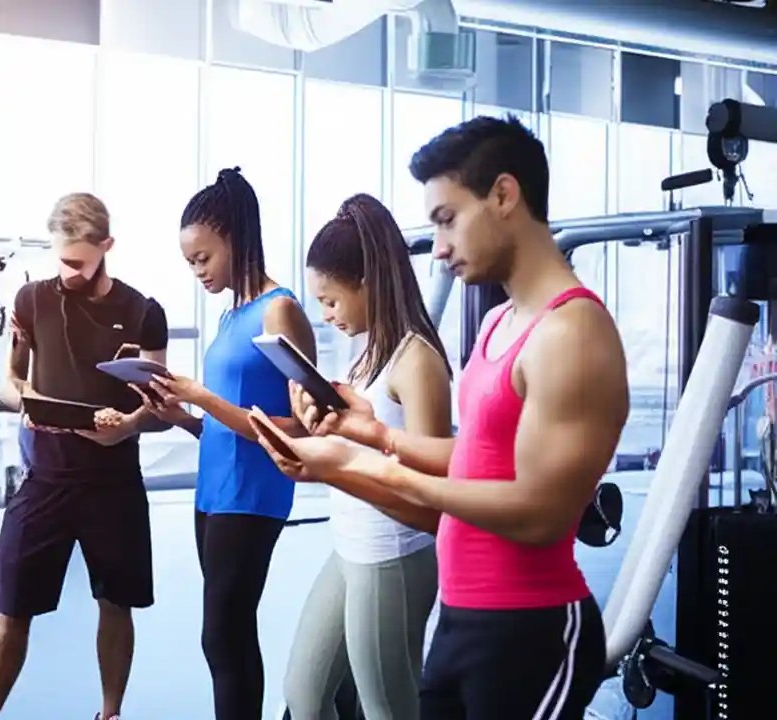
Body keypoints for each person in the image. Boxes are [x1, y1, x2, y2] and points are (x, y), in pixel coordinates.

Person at [254, 116, 629, 720]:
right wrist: (373, 434)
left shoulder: (572, 331)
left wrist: (364, 467)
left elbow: (539, 514)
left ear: (504, 196)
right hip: (462, 619)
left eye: (447, 219)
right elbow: (479, 458)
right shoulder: (496, 324)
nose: (442, 246)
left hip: (531, 627)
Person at [0, 193, 170, 720]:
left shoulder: (144, 312)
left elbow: (158, 404)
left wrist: (129, 425)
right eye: (59, 257)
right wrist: (29, 403)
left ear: (106, 247)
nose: (65, 271)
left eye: (77, 261)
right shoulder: (30, 300)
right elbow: (8, 383)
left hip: (114, 483)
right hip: (44, 477)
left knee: (116, 603)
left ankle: (110, 714)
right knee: (12, 609)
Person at [140, 167, 317, 720]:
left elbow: (301, 425)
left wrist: (201, 395)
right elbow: (226, 423)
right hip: (212, 493)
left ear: (235, 241)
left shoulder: (279, 309)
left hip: (253, 495)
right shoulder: (229, 317)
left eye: (202, 258)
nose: (197, 272)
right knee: (227, 637)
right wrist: (181, 416)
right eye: (189, 262)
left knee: (223, 633)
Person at [281, 194, 452, 720]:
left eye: (331, 301)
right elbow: (356, 450)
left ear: (368, 283)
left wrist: (334, 464)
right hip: (351, 546)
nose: (326, 315)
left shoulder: (417, 359)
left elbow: (428, 496)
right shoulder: (366, 354)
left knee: (387, 709)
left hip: (393, 557)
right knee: (304, 697)